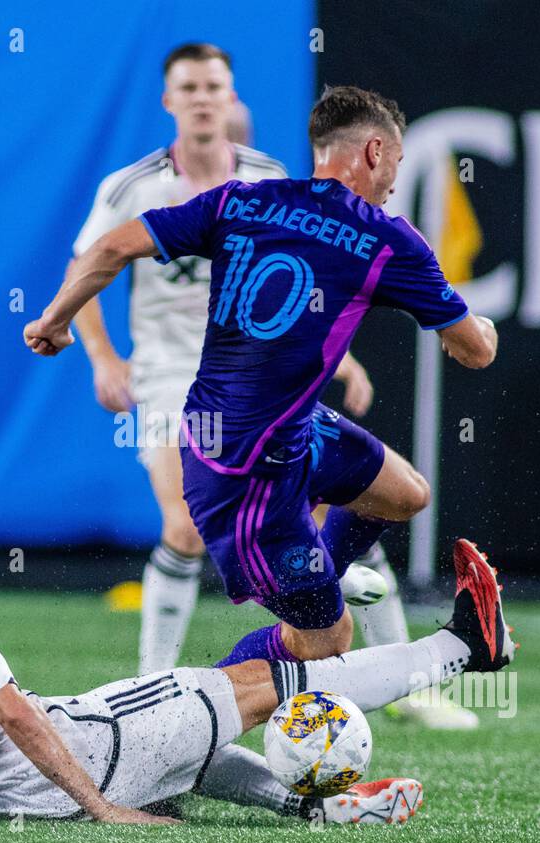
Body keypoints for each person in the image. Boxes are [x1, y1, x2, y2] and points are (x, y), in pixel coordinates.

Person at [24, 85, 499, 672]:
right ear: (375, 151)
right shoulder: (388, 239)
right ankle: (176, 713)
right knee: (328, 642)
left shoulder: (240, 201)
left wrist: (55, 319)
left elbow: (113, 245)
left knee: (406, 495)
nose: (394, 183)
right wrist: (484, 326)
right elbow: (475, 352)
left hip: (285, 432)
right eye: (396, 165)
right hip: (241, 478)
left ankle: (319, 570)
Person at [0, 486, 513, 822]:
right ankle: (462, 646)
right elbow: (15, 715)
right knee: (266, 680)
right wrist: (102, 807)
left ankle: (316, 807)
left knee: (192, 743)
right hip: (88, 755)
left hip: (4, 804)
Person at [70, 43, 385, 677]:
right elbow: (87, 266)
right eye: (189, 89)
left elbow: (312, 276)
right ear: (169, 102)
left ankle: (395, 679)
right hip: (170, 376)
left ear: (231, 98)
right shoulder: (133, 187)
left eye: (214, 87)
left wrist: (339, 356)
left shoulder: (269, 178)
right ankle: (151, 684)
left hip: (261, 373)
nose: (203, 99)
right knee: (184, 527)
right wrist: (103, 358)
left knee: (331, 500)